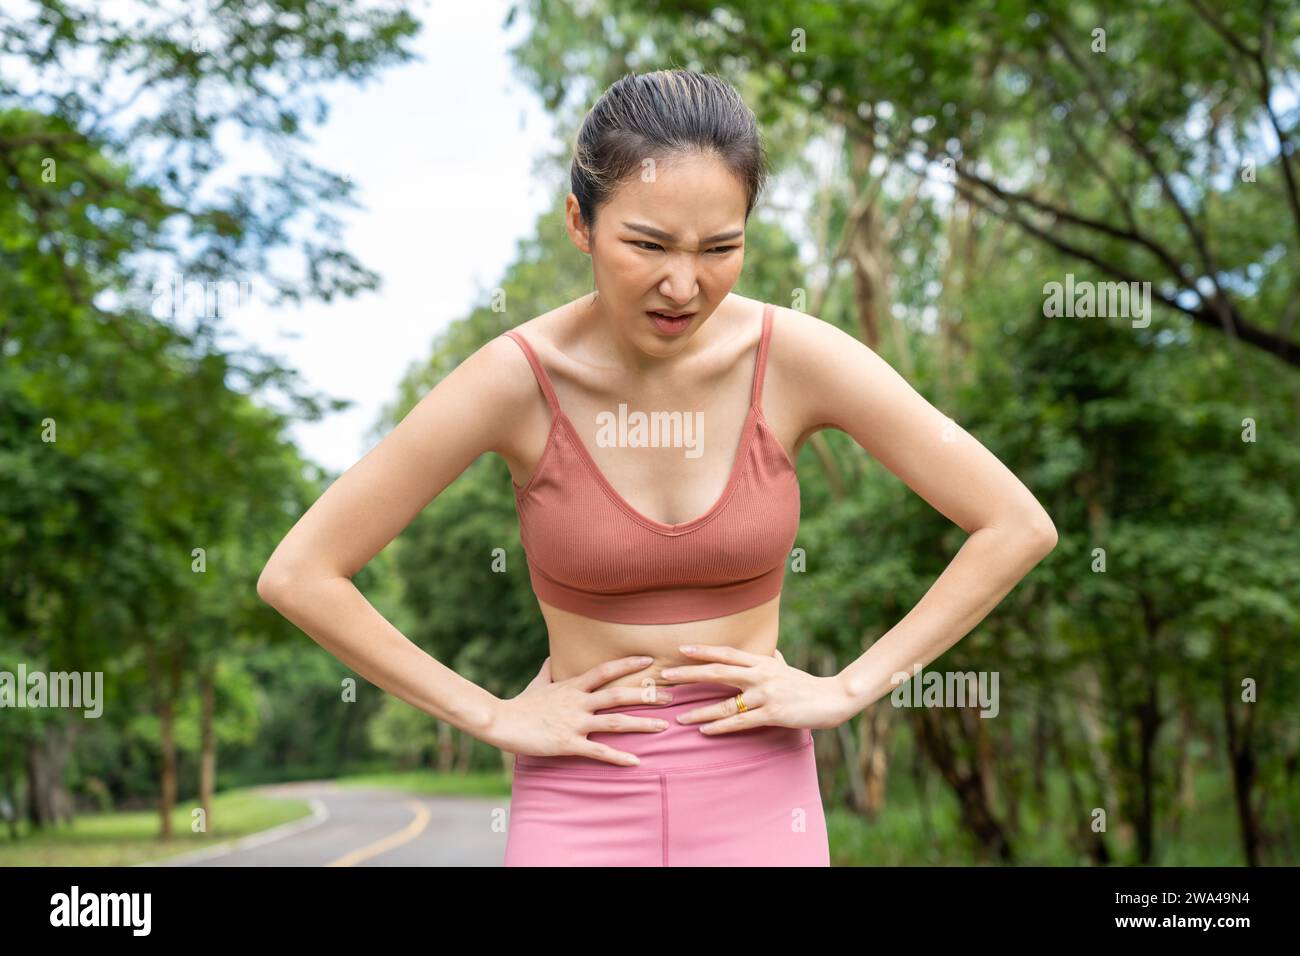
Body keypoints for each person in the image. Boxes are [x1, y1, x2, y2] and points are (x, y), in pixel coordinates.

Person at [256, 69, 1058, 867]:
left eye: (721, 248)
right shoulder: (515, 380)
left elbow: (1015, 523)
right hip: (577, 794)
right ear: (580, 222)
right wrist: (493, 716)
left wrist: (848, 688)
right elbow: (302, 572)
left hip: (760, 795)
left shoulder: (797, 358)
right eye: (647, 245)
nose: (683, 285)